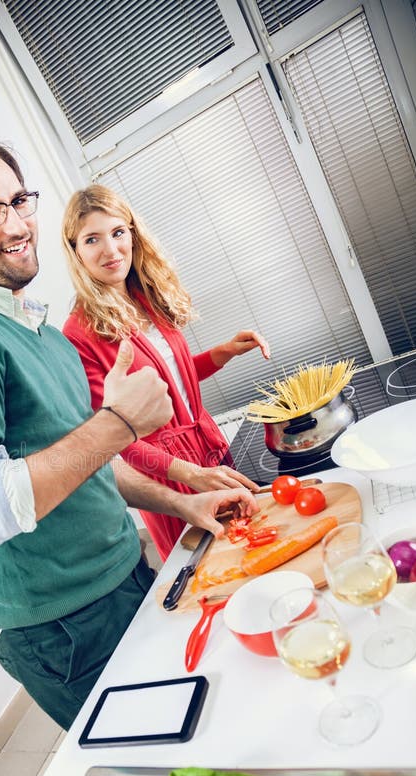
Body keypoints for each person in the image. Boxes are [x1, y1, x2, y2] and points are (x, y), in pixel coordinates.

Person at [0, 132, 259, 730]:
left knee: (203, 729)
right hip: (60, 627)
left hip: (126, 576)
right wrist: (117, 423)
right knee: (165, 770)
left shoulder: (43, 336)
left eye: (19, 200)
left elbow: (90, 463)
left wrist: (182, 502)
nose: (15, 225)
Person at [62, 184, 271, 561]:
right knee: (210, 571)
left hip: (210, 451)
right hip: (168, 476)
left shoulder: (143, 299)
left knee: (253, 550)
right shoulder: (80, 332)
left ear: (132, 233)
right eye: (92, 239)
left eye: (117, 233)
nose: (111, 250)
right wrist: (188, 475)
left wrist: (222, 353)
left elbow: (169, 383)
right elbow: (115, 436)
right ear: (75, 250)